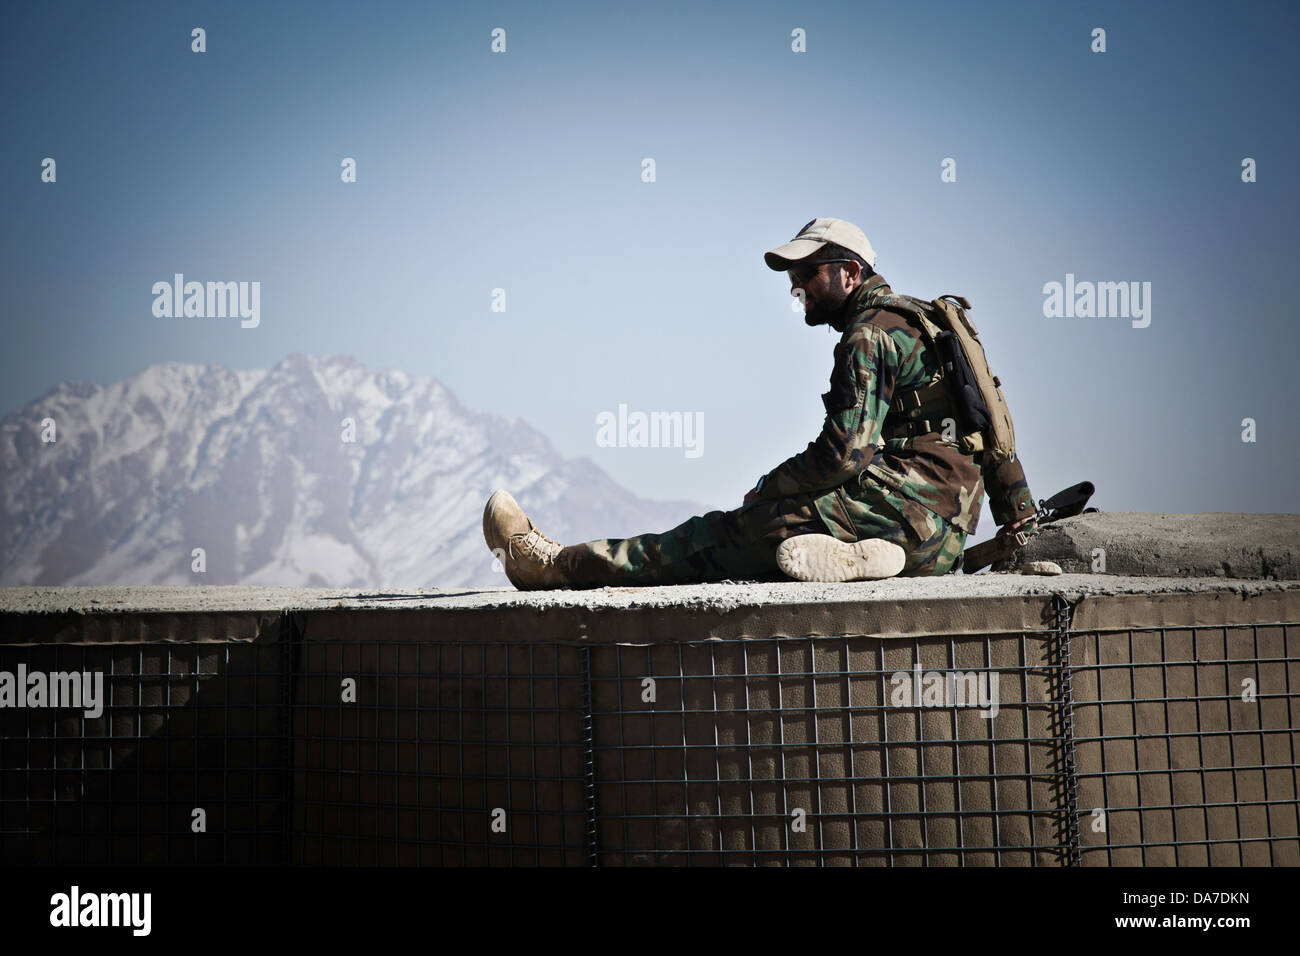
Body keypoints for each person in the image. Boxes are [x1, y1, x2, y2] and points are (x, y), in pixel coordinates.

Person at [483, 217, 989, 590]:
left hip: (900, 513)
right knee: (768, 545)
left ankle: (552, 565)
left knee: (718, 536)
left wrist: (769, 488)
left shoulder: (869, 336)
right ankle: (865, 557)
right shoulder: (934, 322)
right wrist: (1019, 523)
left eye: (807, 272)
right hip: (946, 540)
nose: (795, 287)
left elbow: (843, 455)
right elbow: (995, 429)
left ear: (850, 272)